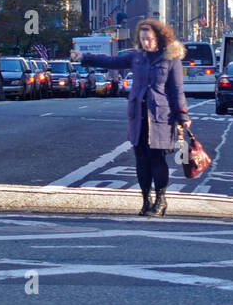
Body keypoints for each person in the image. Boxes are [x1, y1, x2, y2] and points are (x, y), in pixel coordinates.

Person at [73, 21, 191, 217]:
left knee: (157, 158)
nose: (146, 43)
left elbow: (176, 89)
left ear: (159, 38)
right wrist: (84, 57)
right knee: (141, 159)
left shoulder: (170, 58)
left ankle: (161, 201)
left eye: (149, 39)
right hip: (138, 114)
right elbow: (111, 61)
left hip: (161, 116)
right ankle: (146, 200)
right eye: (143, 39)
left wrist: (182, 115)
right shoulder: (137, 57)